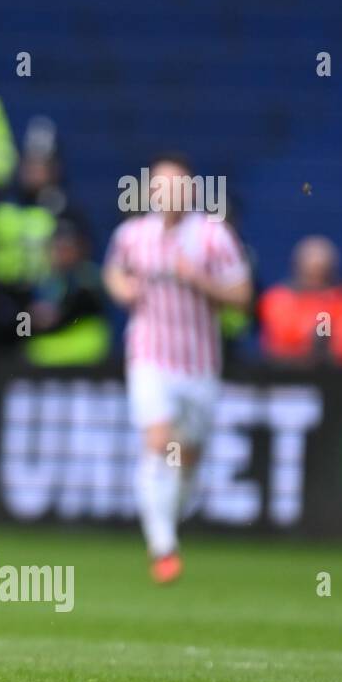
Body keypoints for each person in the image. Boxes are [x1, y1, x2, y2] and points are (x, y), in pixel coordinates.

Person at [102, 154, 252, 584]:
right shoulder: (132, 235)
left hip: (199, 363)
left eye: (178, 186)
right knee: (157, 439)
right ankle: (163, 546)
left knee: (187, 457)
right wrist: (122, 288)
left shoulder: (212, 237)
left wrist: (198, 280)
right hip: (150, 355)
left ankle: (168, 521)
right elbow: (113, 271)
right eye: (161, 187)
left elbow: (242, 296)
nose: (169, 195)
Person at [259, 235, 342, 367]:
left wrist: (327, 345)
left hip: (338, 380)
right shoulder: (277, 300)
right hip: (284, 379)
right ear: (297, 269)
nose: (315, 281)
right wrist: (309, 339)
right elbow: (278, 342)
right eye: (310, 274)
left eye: (321, 274)